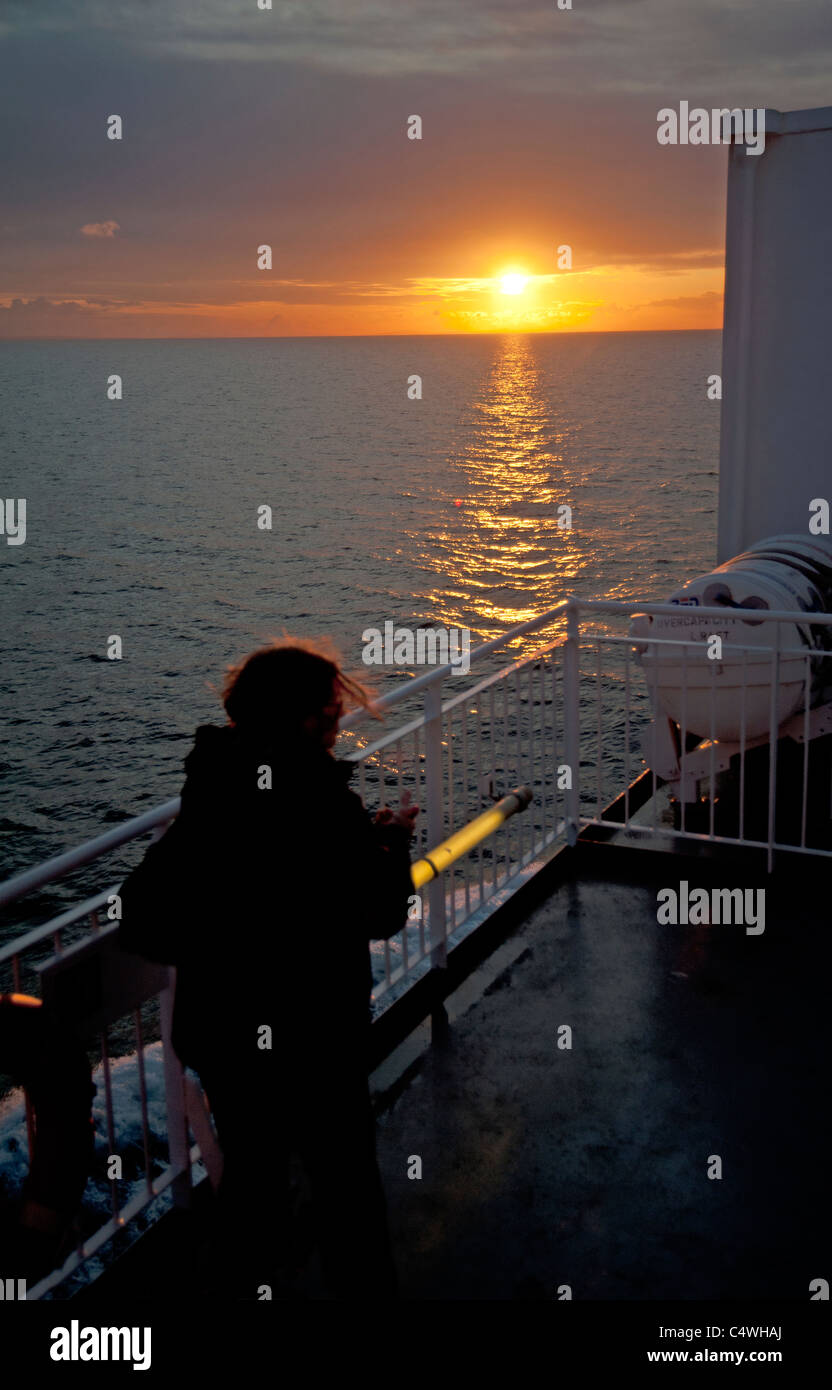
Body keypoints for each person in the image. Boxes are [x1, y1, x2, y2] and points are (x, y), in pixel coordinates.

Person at [119, 637, 417, 1299]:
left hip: (226, 1035)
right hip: (314, 1039)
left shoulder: (212, 783)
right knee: (346, 1189)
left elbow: (152, 905)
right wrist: (391, 844)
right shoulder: (318, 798)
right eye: (331, 709)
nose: (338, 721)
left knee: (252, 1183)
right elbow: (378, 912)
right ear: (307, 717)